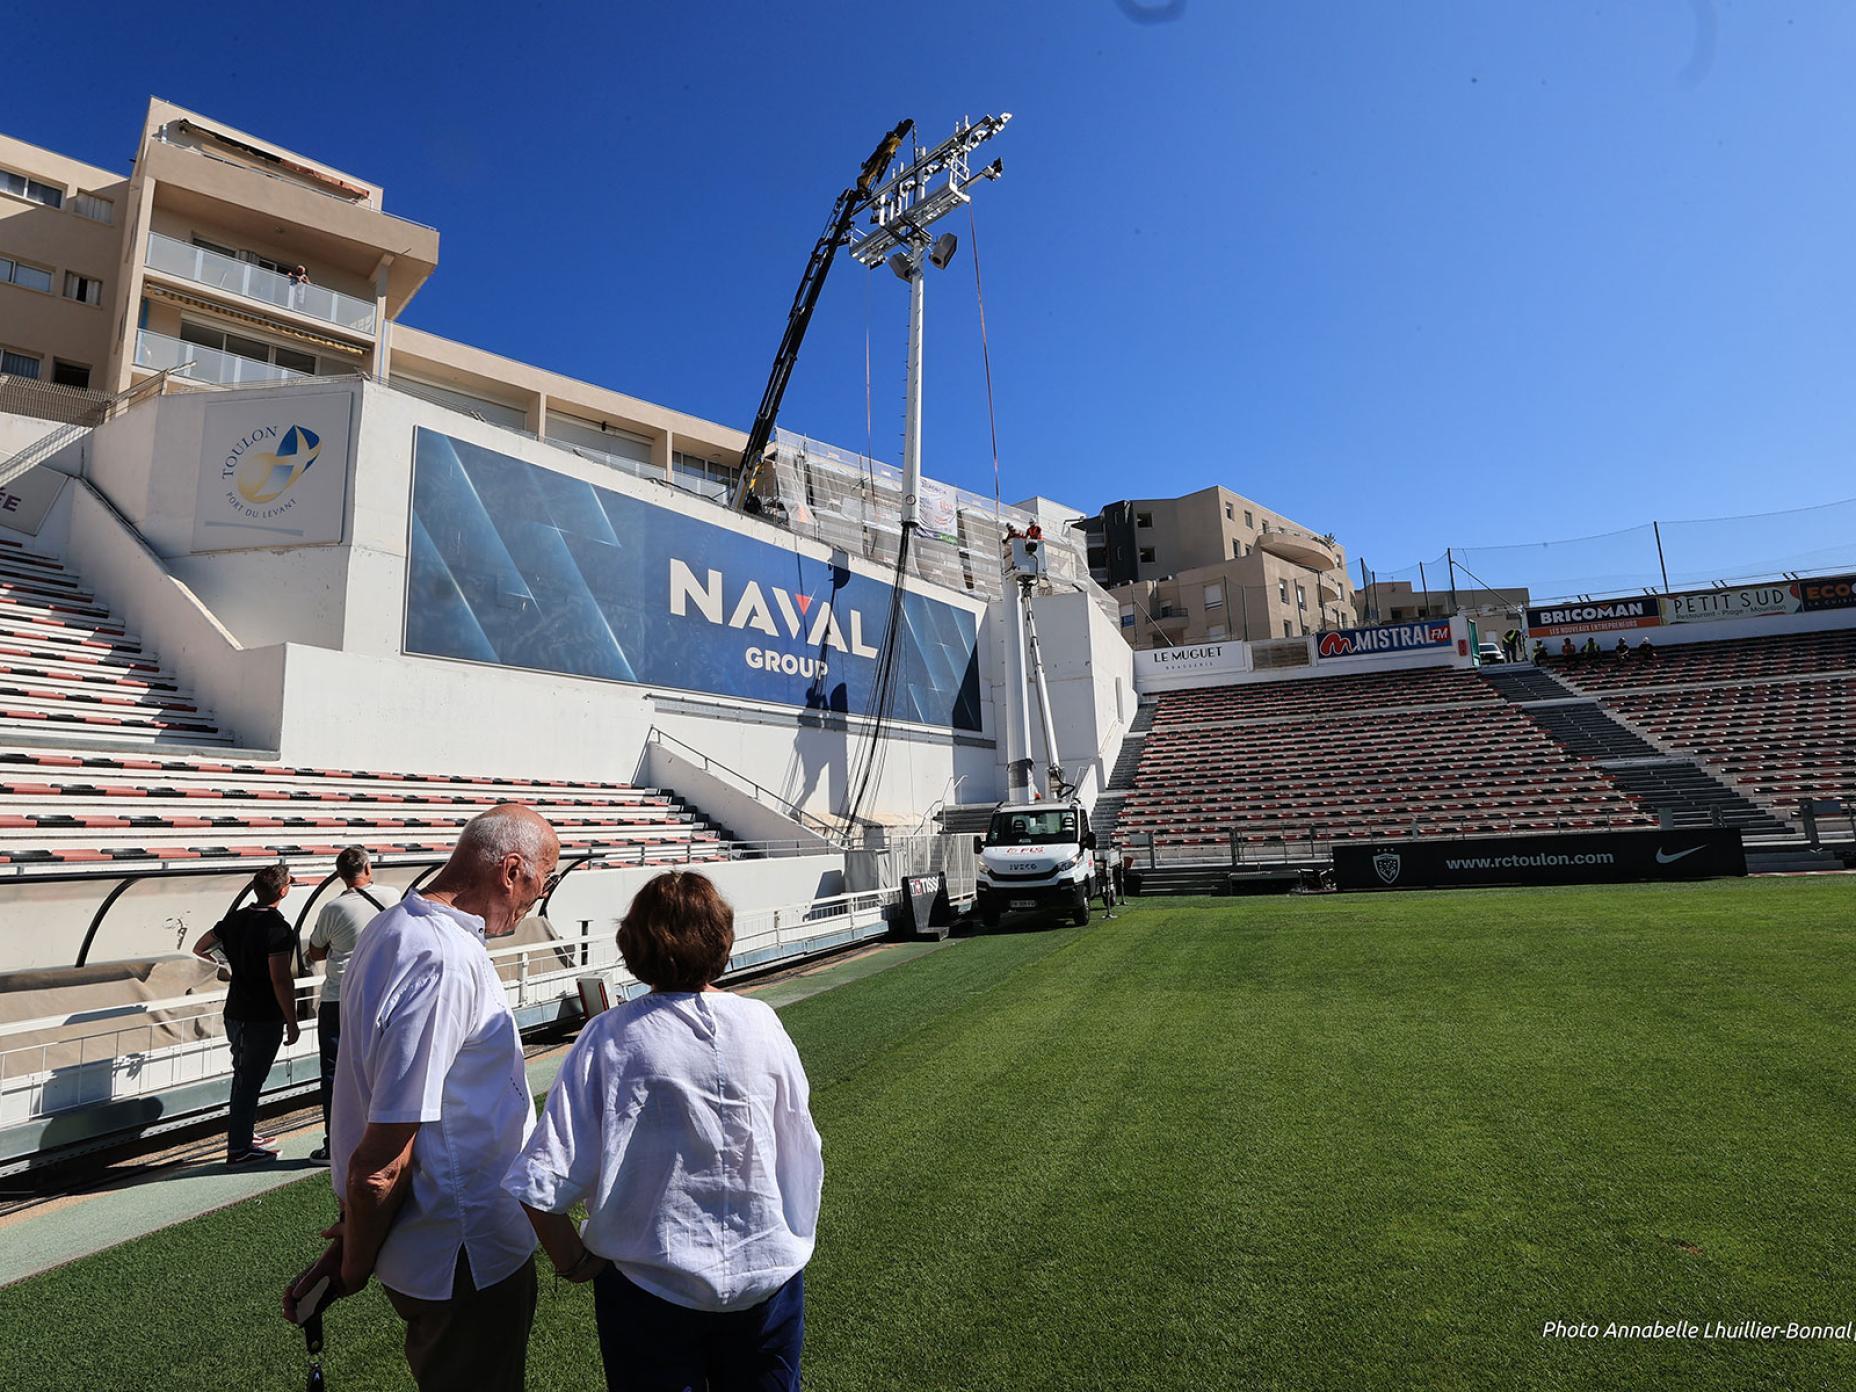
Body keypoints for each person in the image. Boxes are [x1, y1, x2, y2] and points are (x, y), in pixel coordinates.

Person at [504, 872, 822, 1392]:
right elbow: (801, 1144)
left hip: (650, 1285)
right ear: (722, 937)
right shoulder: (762, 1023)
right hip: (767, 1271)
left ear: (633, 944)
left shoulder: (610, 1036)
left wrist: (575, 1262)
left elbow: (542, 1183)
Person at [284, 806, 560, 1392]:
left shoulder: (396, 928)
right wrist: (356, 1263)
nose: (537, 899)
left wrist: (359, 1237)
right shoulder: (441, 958)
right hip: (462, 1253)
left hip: (437, 1245)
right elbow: (381, 1166)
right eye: (542, 880)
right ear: (511, 870)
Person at [192, 864, 299, 1166]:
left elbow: (200, 948)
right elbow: (280, 979)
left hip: (236, 1009)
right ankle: (239, 1148)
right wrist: (292, 1020)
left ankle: (244, 1133)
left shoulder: (235, 919)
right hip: (262, 1014)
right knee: (248, 1081)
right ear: (283, 891)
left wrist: (230, 962)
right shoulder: (278, 929)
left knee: (244, 1076)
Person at [304, 846, 393, 1166]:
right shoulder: (391, 897)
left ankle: (336, 1146)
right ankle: (385, 1141)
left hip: (338, 997)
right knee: (384, 1067)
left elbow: (315, 953)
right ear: (368, 869)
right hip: (382, 994)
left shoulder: (333, 908)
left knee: (334, 1072)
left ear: (340, 874)